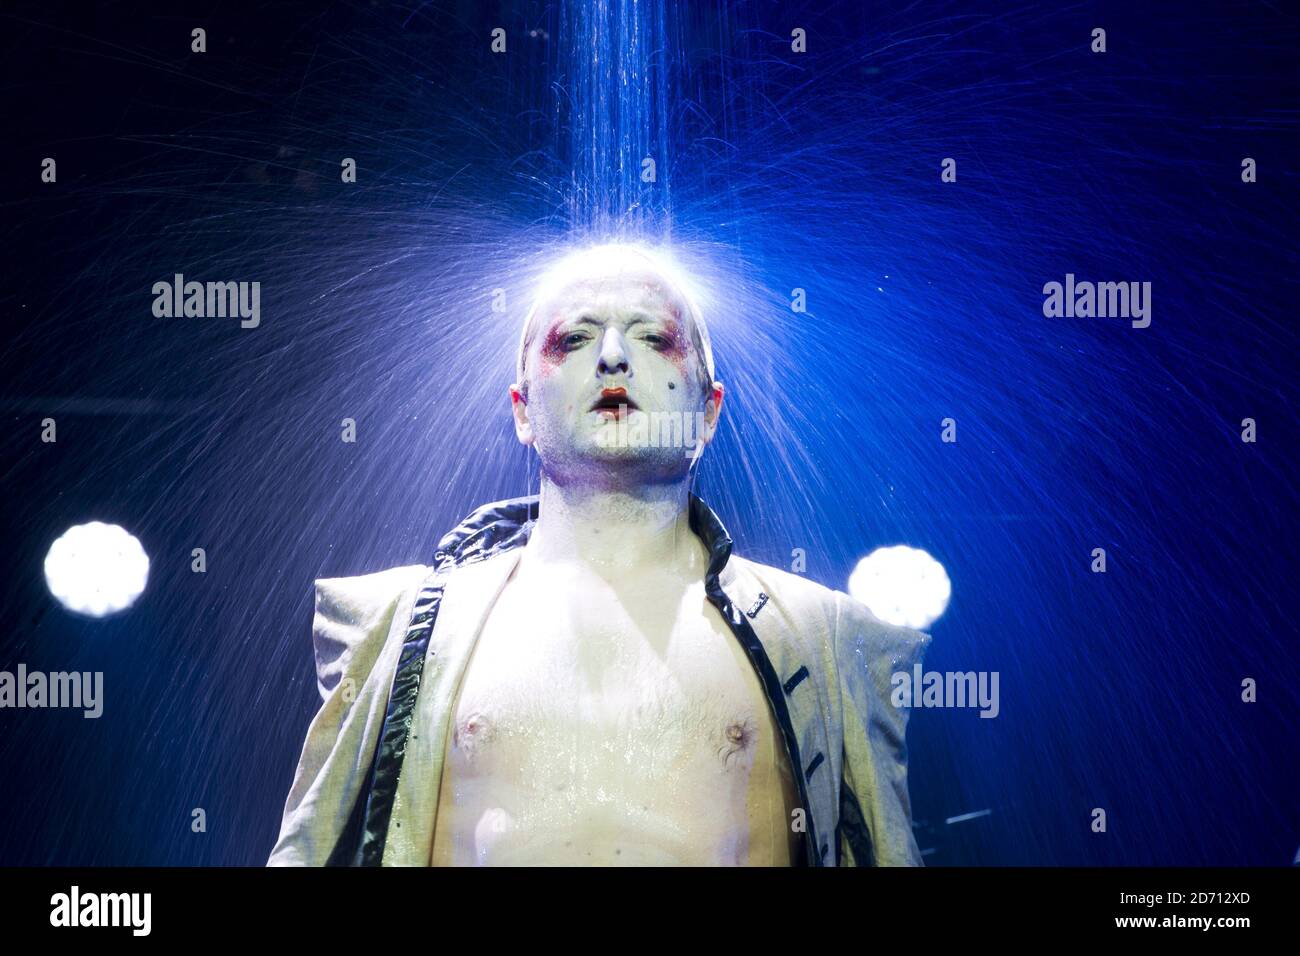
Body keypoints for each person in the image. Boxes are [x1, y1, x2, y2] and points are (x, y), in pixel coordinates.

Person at [267, 243, 931, 866]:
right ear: (522, 410)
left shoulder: (822, 637)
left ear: (708, 412)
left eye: (653, 338)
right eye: (575, 339)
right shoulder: (402, 626)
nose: (614, 356)